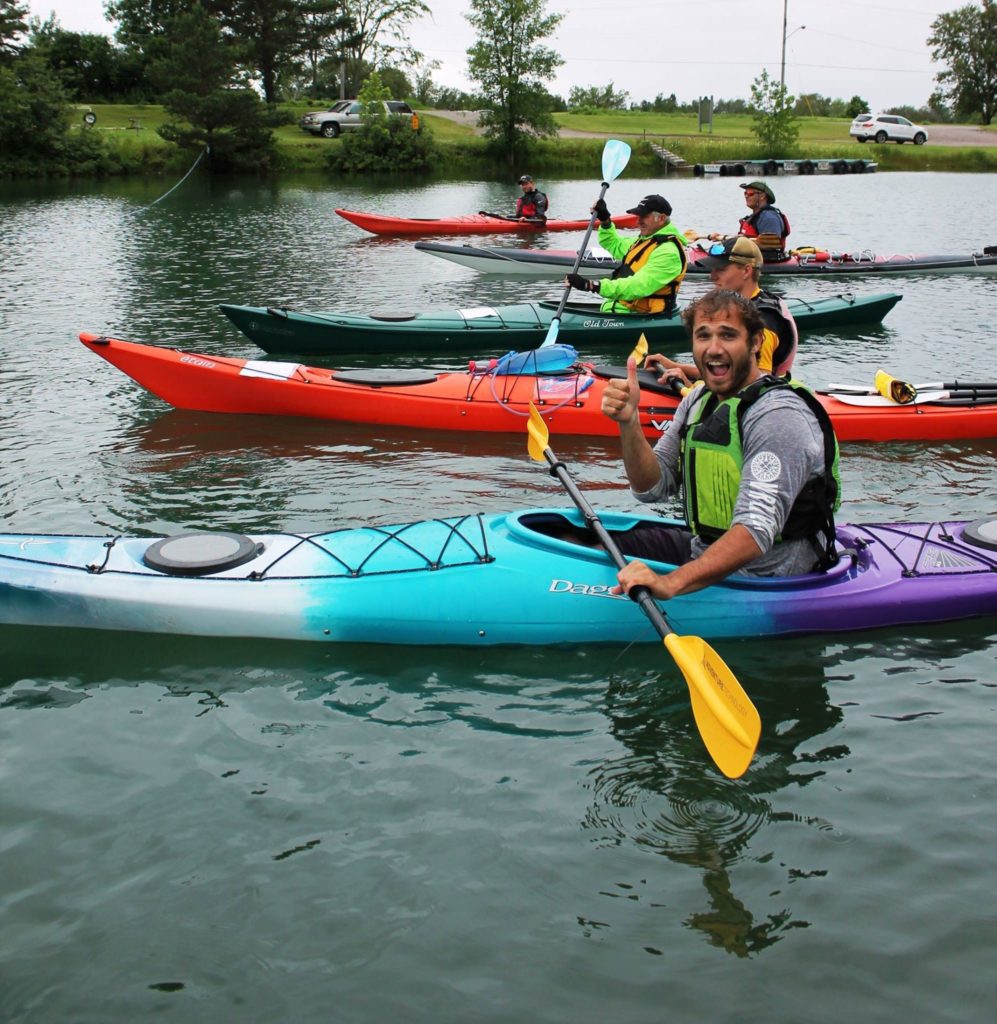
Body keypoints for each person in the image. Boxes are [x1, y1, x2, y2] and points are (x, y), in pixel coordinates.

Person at [599, 288, 840, 603]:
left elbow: (755, 530)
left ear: (755, 342)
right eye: (703, 336)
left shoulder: (778, 415)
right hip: (704, 552)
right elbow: (651, 488)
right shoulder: (698, 399)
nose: (713, 349)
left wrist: (670, 583)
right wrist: (629, 423)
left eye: (728, 335)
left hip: (767, 578)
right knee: (583, 540)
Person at [645, 236, 797, 386]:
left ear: (746, 271)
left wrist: (689, 388)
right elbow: (733, 370)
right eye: (713, 269)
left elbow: (758, 385)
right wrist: (675, 366)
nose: (712, 276)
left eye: (721, 269)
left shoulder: (763, 321)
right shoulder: (752, 303)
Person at [564, 193, 687, 315]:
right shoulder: (643, 242)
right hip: (622, 310)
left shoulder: (668, 253)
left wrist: (592, 285)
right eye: (639, 216)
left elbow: (638, 286)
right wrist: (605, 220)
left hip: (643, 316)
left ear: (661, 218)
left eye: (644, 216)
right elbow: (613, 243)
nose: (639, 222)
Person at [689, 180, 791, 261]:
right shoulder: (755, 216)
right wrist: (722, 238)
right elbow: (747, 239)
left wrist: (731, 243)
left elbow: (770, 246)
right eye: (745, 193)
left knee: (718, 250)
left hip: (766, 260)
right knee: (716, 248)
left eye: (750, 193)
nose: (746, 196)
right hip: (751, 256)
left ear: (762, 196)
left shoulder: (769, 218)